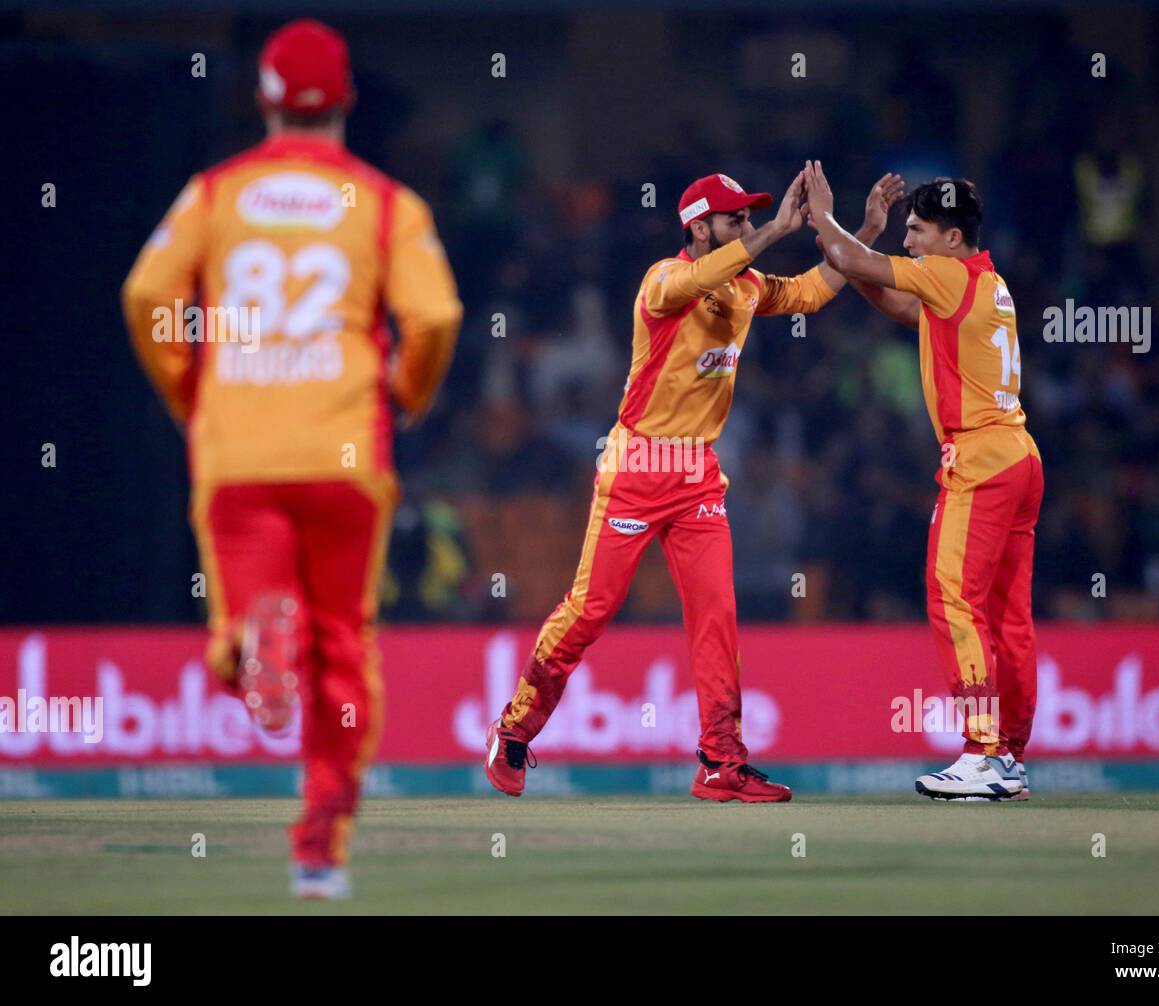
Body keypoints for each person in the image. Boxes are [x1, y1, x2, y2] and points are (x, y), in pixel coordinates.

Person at [121, 19, 462, 896]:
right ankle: (320, 845)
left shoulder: (214, 195)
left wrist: (190, 393)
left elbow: (149, 293)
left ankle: (244, 646)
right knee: (344, 645)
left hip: (239, 451)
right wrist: (406, 393)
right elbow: (435, 320)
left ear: (264, 101)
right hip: (343, 450)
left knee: (249, 624)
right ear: (346, 100)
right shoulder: (389, 205)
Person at [485, 170, 849, 803]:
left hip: (698, 472)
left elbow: (813, 293)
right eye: (733, 218)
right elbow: (695, 280)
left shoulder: (745, 286)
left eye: (747, 218)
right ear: (699, 226)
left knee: (717, 618)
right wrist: (772, 233)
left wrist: (855, 231)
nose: (743, 226)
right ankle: (514, 730)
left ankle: (720, 762)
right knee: (590, 612)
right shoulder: (661, 281)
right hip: (636, 469)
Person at [804, 162, 1041, 800]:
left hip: (981, 459)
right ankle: (1009, 755)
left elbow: (859, 260)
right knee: (1007, 615)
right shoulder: (983, 282)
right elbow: (889, 295)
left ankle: (983, 751)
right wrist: (858, 249)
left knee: (951, 599)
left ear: (951, 239)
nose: (907, 241)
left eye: (917, 230)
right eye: (903, 230)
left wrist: (833, 219)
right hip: (1019, 455)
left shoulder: (946, 273)